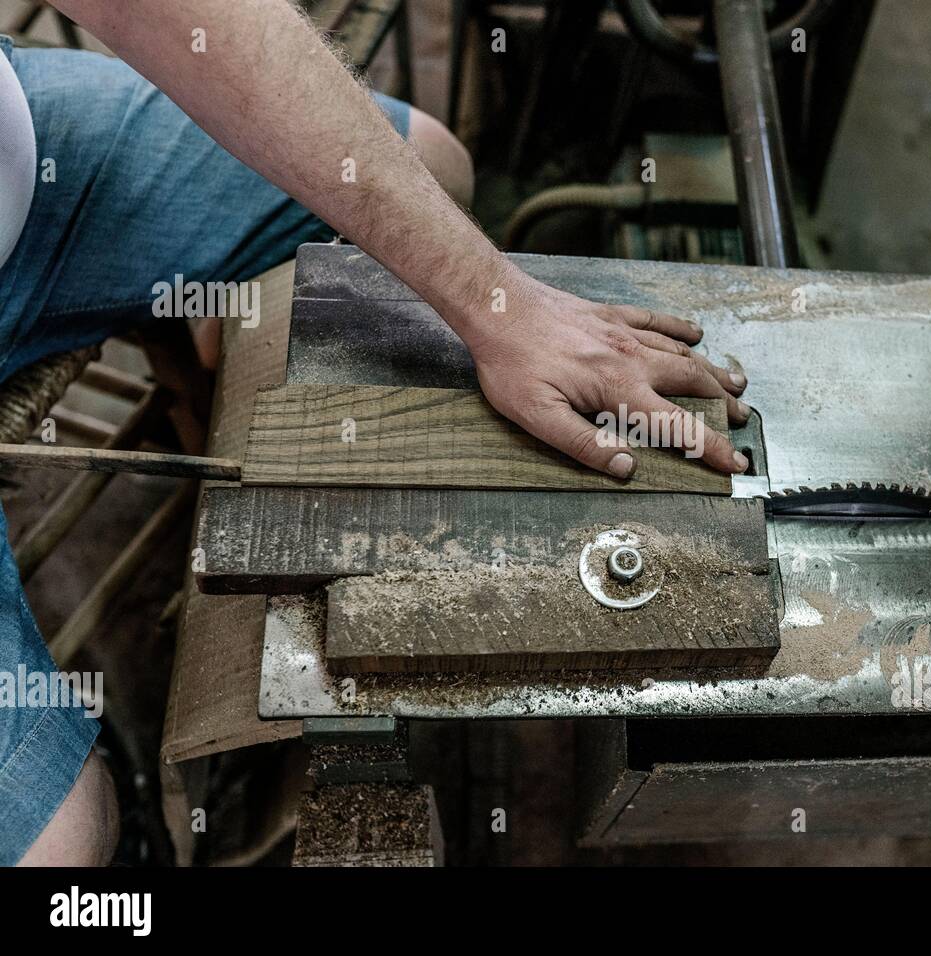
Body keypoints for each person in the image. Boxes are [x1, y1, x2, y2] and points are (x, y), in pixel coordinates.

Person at [0, 0, 751, 866]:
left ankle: (240, 377)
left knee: (431, 166)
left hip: (22, 176)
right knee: (65, 845)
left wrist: (492, 300)